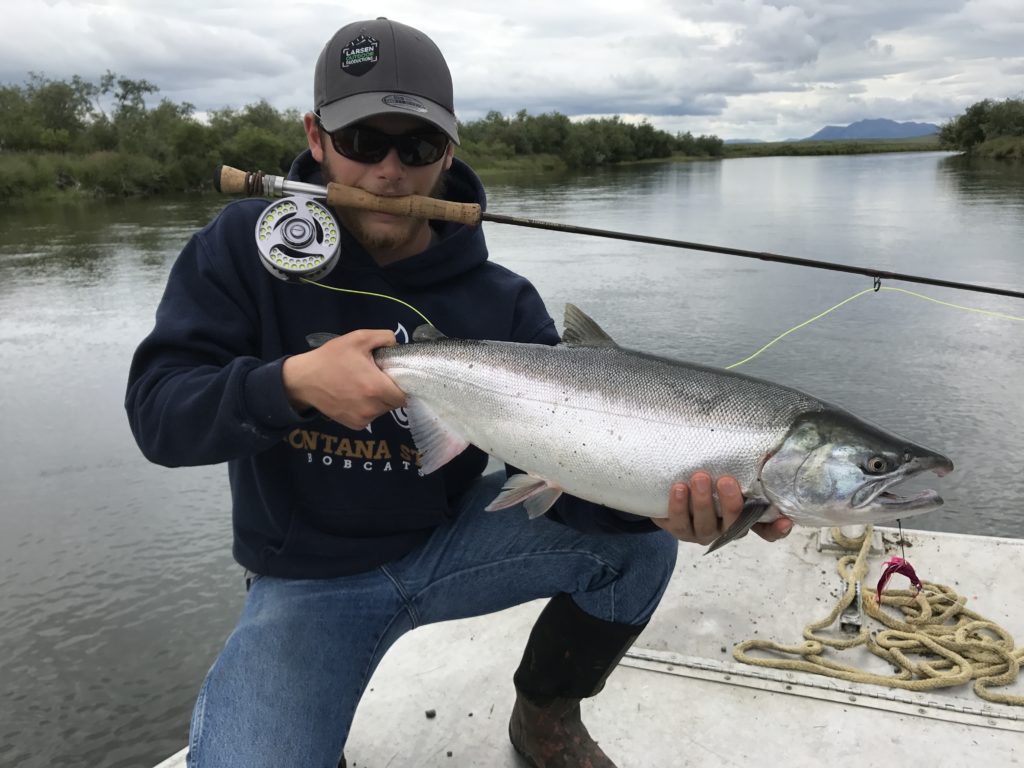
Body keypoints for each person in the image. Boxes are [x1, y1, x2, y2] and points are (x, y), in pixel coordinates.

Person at [125, 17, 791, 768]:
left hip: (451, 544)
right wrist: (289, 386)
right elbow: (158, 414)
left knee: (637, 551)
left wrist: (658, 500)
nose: (388, 171)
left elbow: (559, 487)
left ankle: (545, 718)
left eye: (415, 147)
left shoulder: (501, 303)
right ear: (316, 138)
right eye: (362, 143)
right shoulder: (247, 250)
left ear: (448, 150)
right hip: (304, 581)